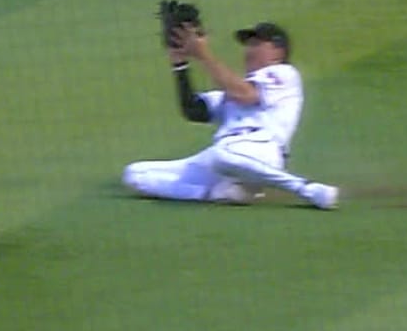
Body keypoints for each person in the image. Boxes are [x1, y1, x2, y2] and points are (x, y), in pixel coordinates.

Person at [123, 19, 339, 209]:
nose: (249, 50)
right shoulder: (230, 92)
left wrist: (203, 54)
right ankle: (218, 194)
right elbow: (193, 110)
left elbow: (246, 95)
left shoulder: (283, 74)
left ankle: (307, 189)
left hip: (261, 150)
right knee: (135, 174)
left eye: (256, 44)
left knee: (222, 155)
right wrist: (180, 64)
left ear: (278, 51)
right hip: (224, 155)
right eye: (248, 45)